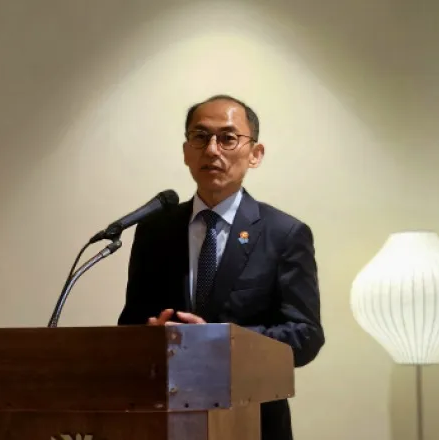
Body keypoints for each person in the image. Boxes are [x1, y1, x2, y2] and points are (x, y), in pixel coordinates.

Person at [117, 94, 325, 440]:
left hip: (251, 421)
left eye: (228, 138)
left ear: (255, 154)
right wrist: (148, 335)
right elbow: (129, 324)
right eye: (200, 137)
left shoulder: (284, 234)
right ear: (186, 151)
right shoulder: (154, 230)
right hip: (165, 419)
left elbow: (305, 336)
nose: (212, 149)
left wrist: (219, 342)